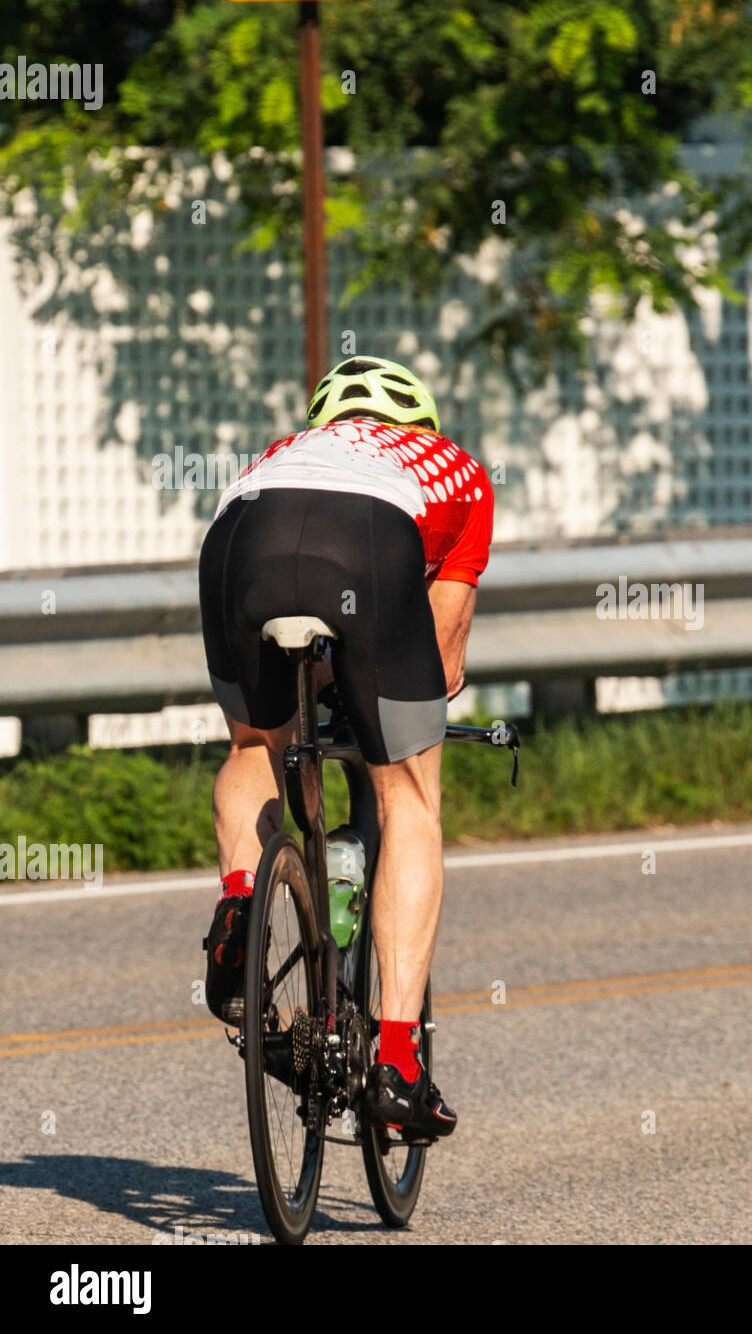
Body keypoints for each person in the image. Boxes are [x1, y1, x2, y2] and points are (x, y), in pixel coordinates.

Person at [196, 356, 494, 1141]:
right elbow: (442, 658)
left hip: (240, 532)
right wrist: (382, 702)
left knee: (254, 748)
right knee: (411, 799)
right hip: (366, 538)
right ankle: (396, 1064)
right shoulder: (454, 467)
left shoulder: (280, 450)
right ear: (418, 421)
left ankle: (236, 903)